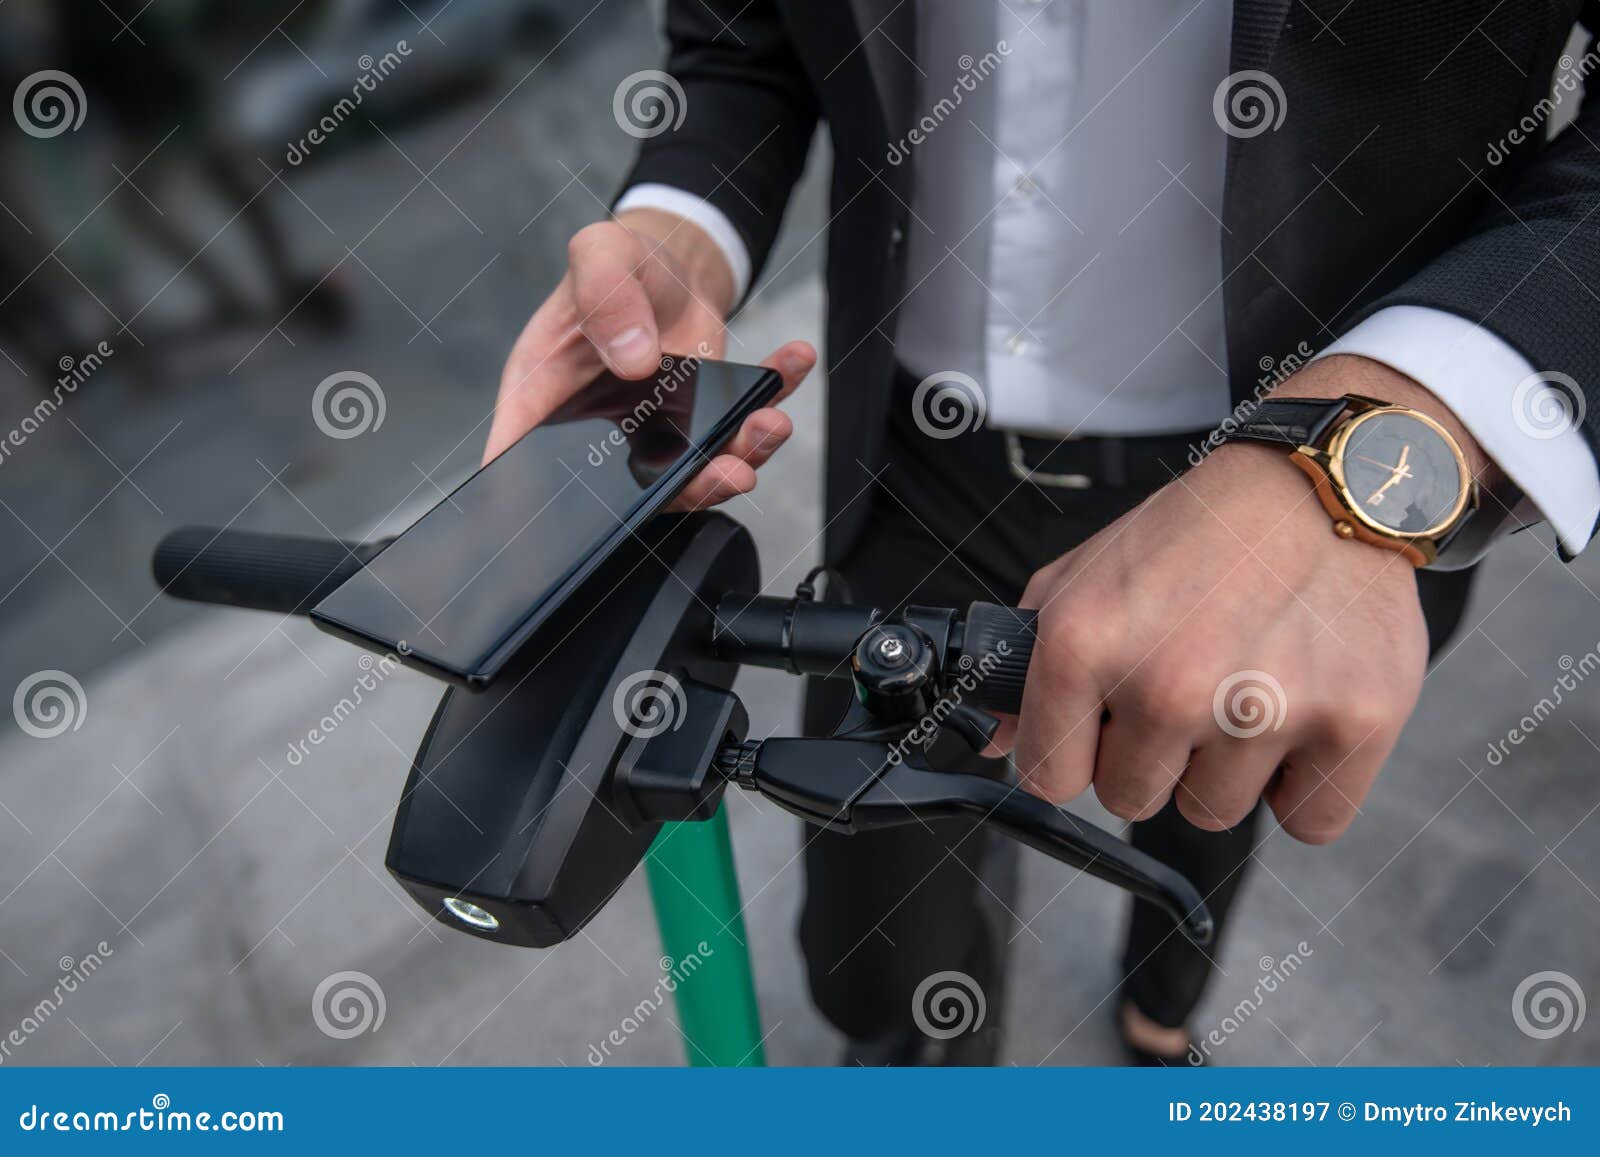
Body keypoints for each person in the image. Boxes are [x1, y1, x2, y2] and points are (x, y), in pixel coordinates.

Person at [485, 2, 1600, 1064]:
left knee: (1201, 812)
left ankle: (1161, 1004)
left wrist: (1385, 429)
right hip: (923, 459)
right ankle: (927, 1044)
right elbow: (743, 42)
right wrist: (683, 228)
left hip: (1265, 460)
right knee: (873, 939)